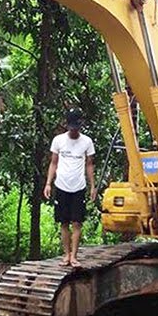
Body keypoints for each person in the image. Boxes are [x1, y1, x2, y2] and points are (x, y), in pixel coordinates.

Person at [43, 108, 96, 267]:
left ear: (80, 125)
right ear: (67, 125)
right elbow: (53, 163)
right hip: (61, 186)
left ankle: (74, 256)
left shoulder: (87, 142)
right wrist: (48, 183)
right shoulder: (58, 140)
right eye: (71, 126)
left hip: (78, 186)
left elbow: (89, 165)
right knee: (64, 222)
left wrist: (93, 186)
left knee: (77, 222)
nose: (74, 130)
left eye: (76, 127)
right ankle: (66, 255)